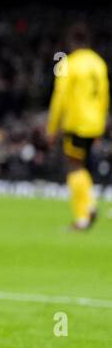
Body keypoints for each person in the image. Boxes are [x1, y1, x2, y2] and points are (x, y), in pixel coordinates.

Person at [47, 25, 108, 230]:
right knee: (82, 167)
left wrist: (53, 127)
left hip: (76, 123)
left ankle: (84, 214)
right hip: (95, 123)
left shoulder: (68, 63)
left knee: (74, 167)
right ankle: (89, 204)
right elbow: (104, 96)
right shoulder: (99, 63)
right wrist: (101, 125)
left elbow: (60, 97)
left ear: (72, 43)